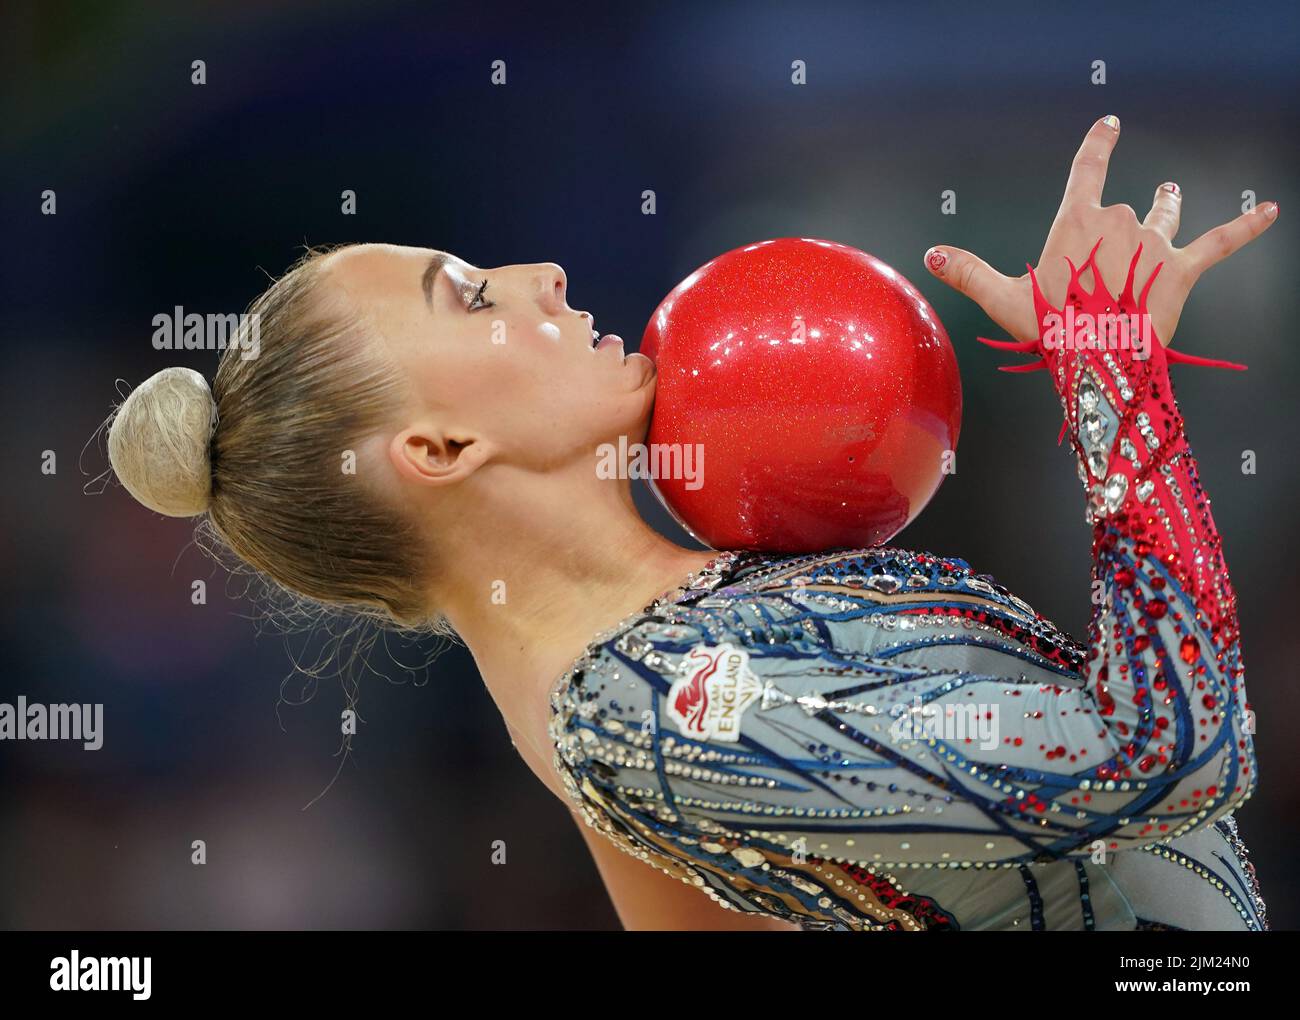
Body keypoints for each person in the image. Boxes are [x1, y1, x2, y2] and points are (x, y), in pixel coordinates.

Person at [106, 116, 1275, 929]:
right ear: (441, 452)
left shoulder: (654, 645)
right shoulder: (660, 709)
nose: (542, 274)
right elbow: (1163, 759)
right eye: (468, 294)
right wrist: (1109, 376)